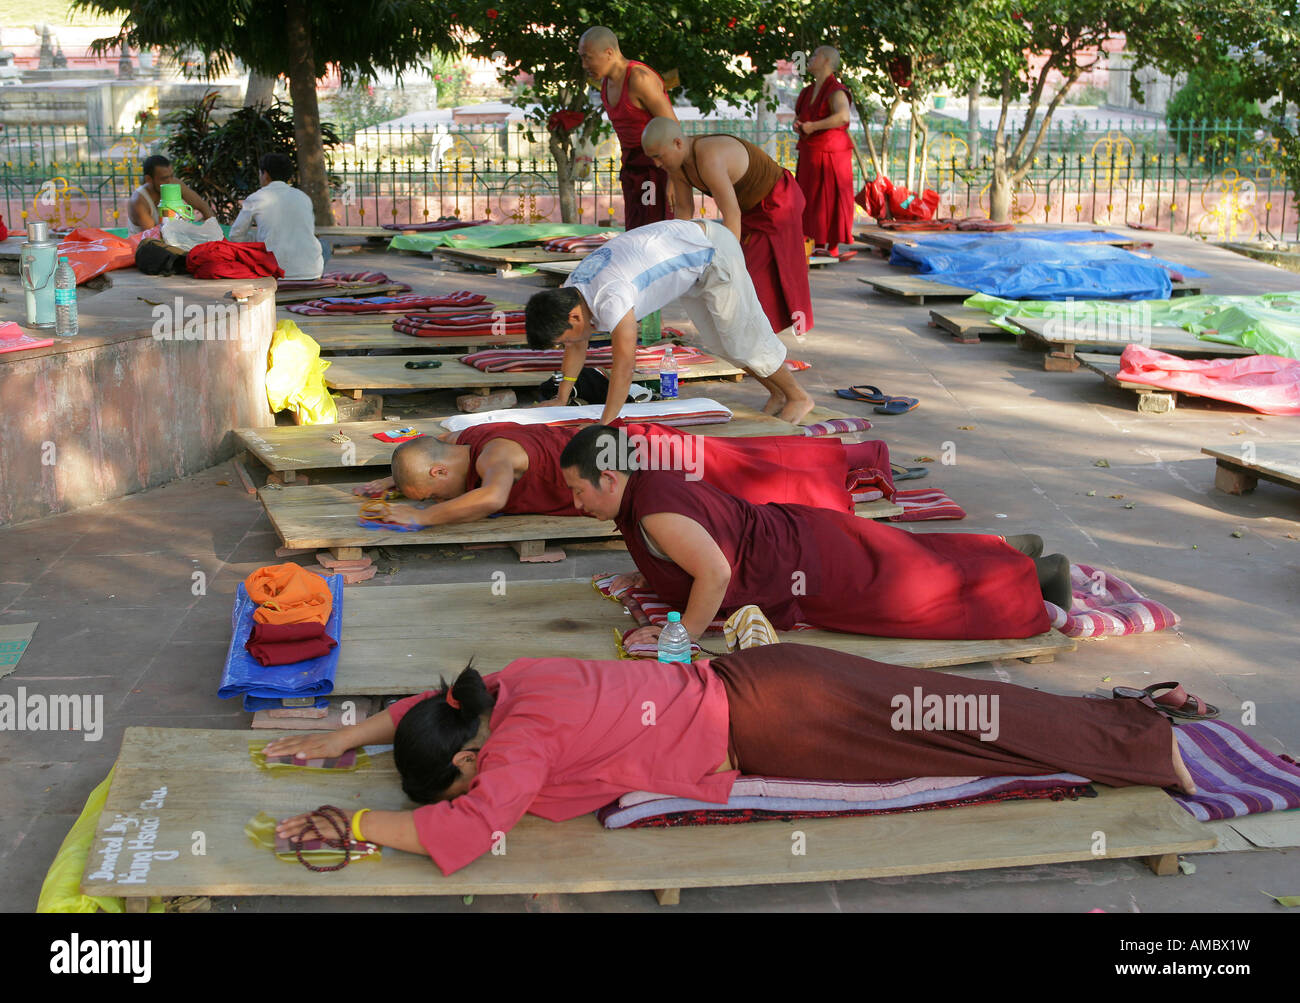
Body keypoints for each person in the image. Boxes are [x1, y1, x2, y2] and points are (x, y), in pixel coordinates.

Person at [268, 644, 1197, 877]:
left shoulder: (513, 748)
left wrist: (349, 822)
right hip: (770, 676)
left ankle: (1144, 741)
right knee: (962, 709)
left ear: (471, 756)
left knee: (963, 725)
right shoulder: (511, 684)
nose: (478, 781)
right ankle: (1123, 721)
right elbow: (423, 713)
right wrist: (348, 736)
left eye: (464, 769)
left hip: (778, 729)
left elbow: (466, 828)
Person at [559, 424, 1071, 644]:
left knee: (918, 596)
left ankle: (1034, 577)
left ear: (609, 476)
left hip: (807, 565)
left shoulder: (653, 512)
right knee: (909, 554)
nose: (577, 506)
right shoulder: (650, 484)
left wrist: (684, 633)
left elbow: (714, 573)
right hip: (803, 534)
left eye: (580, 492)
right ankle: (1001, 549)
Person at [524, 218, 815, 424]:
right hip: (693, 260)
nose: (568, 345)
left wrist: (606, 422)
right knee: (723, 344)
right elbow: (576, 346)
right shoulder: (573, 291)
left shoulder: (611, 298)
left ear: (574, 317)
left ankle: (798, 396)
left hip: (712, 250)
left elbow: (624, 367)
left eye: (563, 339)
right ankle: (777, 393)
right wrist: (563, 398)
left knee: (742, 337)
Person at [356, 420, 891, 528]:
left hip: (636, 456)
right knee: (741, 463)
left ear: (438, 469)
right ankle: (841, 460)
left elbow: (493, 499)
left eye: (434, 490)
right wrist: (395, 483)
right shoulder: (456, 445)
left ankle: (851, 461)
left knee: (742, 472)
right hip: (619, 455)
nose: (437, 498)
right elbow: (427, 443)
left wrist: (421, 520)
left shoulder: (495, 455)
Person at [640, 117, 813, 337]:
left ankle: (761, 350)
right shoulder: (676, 164)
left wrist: (727, 263)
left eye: (658, 156)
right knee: (741, 281)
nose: (656, 164)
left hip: (777, 202)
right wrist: (674, 254)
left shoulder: (709, 158)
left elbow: (731, 215)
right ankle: (749, 344)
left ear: (678, 143)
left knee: (748, 277)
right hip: (749, 210)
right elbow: (684, 211)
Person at [578, 26, 679, 230]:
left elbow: (674, 128)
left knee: (653, 232)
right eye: (582, 58)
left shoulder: (640, 78)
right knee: (634, 231)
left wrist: (675, 179)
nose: (584, 65)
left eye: (588, 58)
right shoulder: (605, 83)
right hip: (631, 167)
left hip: (656, 167)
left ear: (609, 52)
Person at [794, 46, 856, 258]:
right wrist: (800, 125)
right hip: (811, 150)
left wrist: (813, 126)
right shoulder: (808, 91)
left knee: (828, 198)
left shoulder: (836, 90)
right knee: (808, 196)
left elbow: (843, 117)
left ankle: (829, 244)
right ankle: (810, 240)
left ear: (827, 60)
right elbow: (802, 115)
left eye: (815, 56)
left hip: (831, 153)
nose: (810, 59)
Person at [228, 152, 325, 280]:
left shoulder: (256, 198)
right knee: (324, 246)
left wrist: (255, 241)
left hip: (273, 272)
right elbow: (307, 231)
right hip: (312, 272)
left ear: (265, 174)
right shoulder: (303, 197)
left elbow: (235, 235)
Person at [126, 155, 214, 234]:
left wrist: (216, 236)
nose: (170, 181)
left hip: (170, 241)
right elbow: (153, 238)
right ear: (149, 179)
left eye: (171, 176)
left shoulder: (174, 183)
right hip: (146, 247)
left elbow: (203, 207)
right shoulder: (138, 202)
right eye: (164, 178)